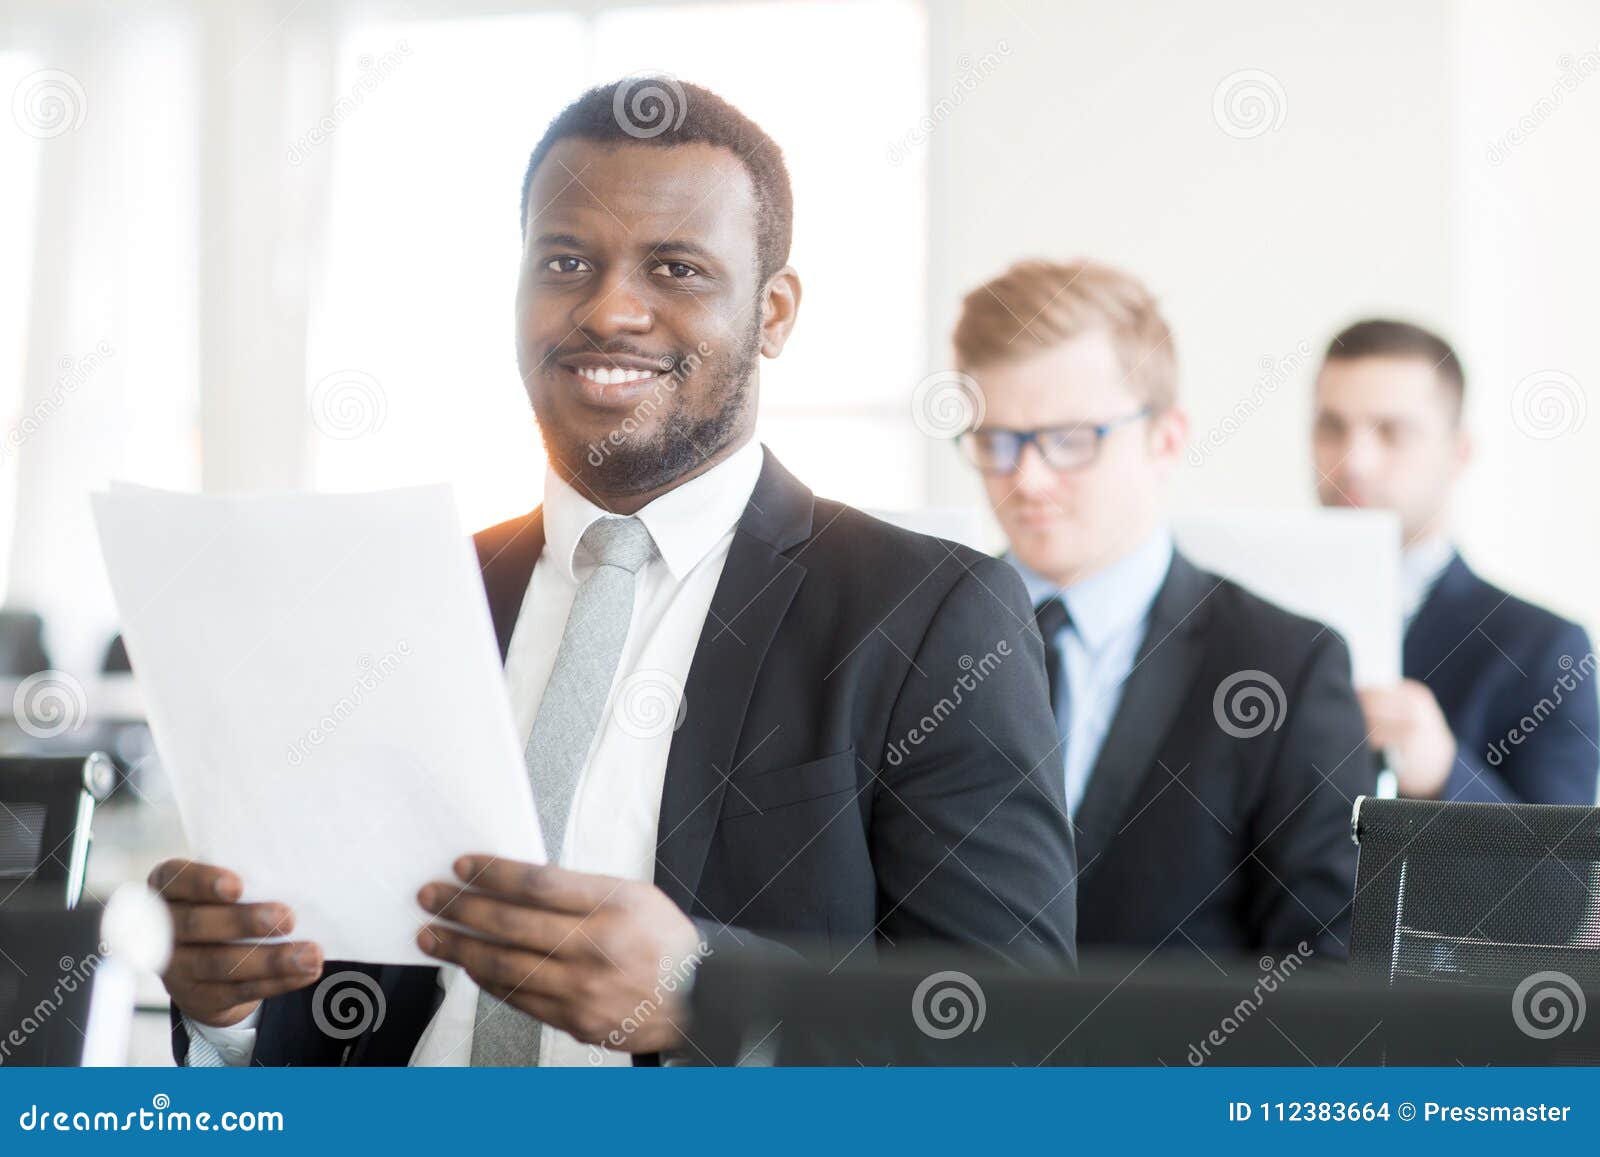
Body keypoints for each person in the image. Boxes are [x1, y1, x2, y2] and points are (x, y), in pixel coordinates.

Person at [150, 80, 1076, 1067]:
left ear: (773, 310)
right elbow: (340, 1011)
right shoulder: (409, 599)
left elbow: (1011, 1039)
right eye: (564, 262)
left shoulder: (929, 615)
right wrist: (227, 1004)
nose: (609, 309)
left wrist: (712, 1000)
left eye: (675, 268)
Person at [953, 258, 1372, 956]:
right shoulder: (912, 638)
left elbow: (1322, 969)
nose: (1025, 478)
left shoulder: (1285, 667)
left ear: (1166, 439)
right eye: (997, 441)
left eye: (1069, 440)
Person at [1312, 319, 1599, 804]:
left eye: (1392, 431)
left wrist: (1443, 772)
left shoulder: (1546, 651)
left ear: (1458, 453)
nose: (1354, 461)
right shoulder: (1241, 620)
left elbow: (1562, 876)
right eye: (1332, 426)